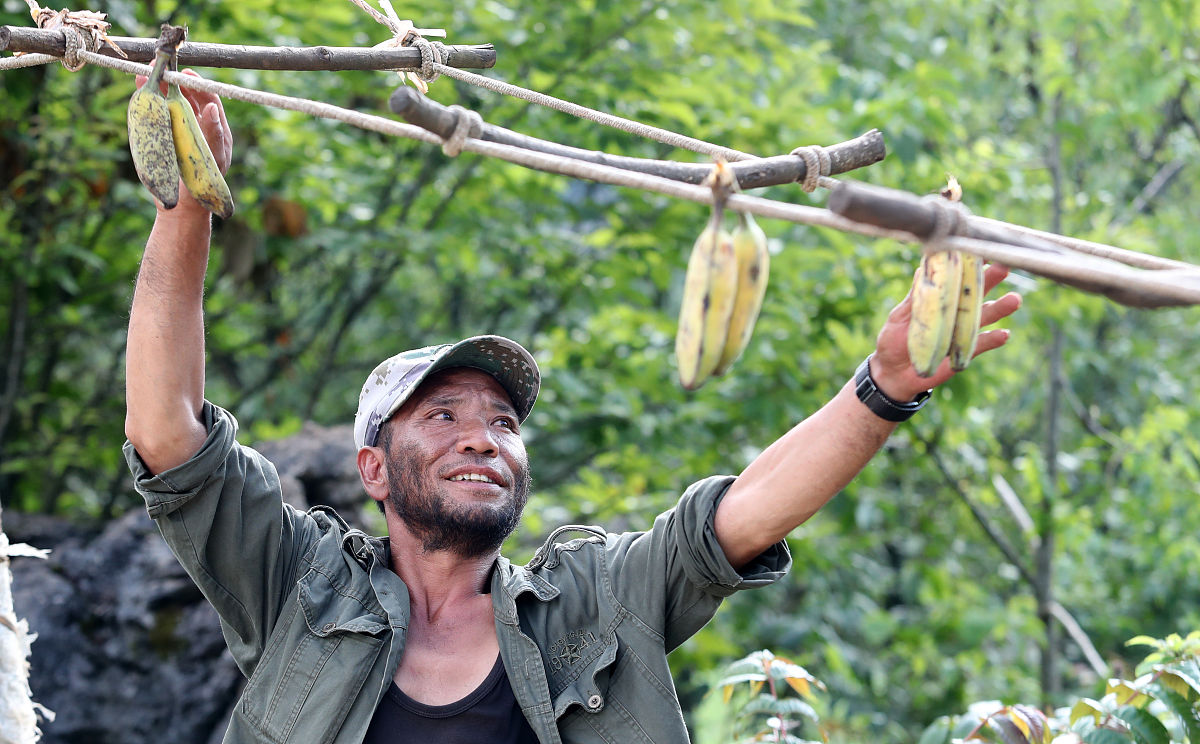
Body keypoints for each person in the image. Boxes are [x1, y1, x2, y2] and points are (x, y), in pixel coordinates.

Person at [122, 76, 1021, 744]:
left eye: (505, 423)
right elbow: (169, 434)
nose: (484, 436)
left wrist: (887, 383)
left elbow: (745, 512)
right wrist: (186, 210)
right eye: (442, 417)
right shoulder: (295, 588)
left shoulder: (592, 605)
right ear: (371, 468)